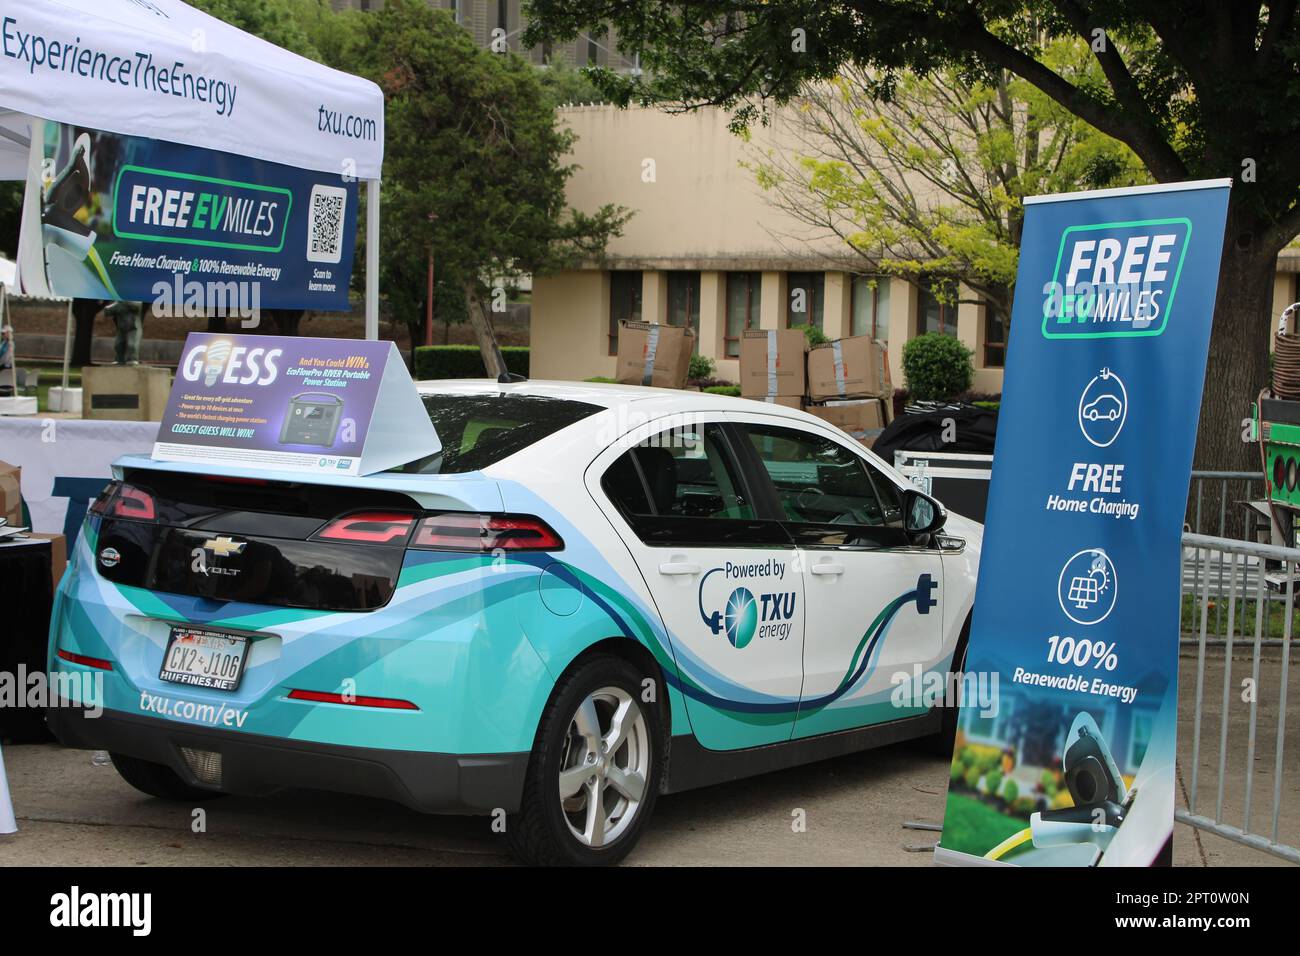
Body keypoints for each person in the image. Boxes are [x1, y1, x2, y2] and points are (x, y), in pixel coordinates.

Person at [105, 301, 143, 365]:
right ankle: (119, 359)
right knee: (118, 344)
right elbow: (107, 311)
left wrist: (124, 302)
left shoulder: (135, 301)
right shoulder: (118, 303)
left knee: (132, 344)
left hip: (133, 328)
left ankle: (132, 359)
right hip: (122, 328)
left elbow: (137, 307)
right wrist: (107, 307)